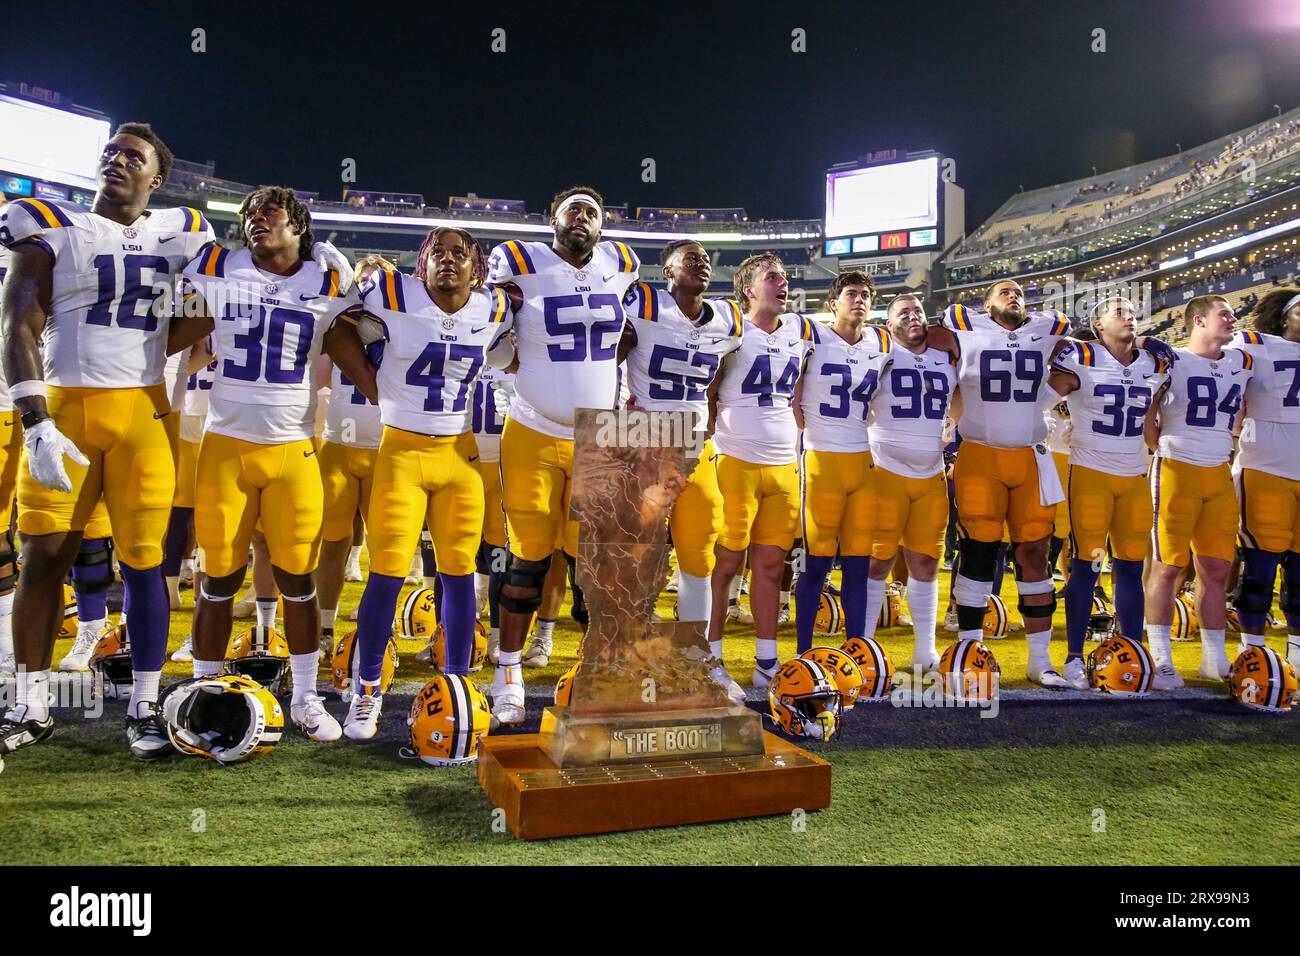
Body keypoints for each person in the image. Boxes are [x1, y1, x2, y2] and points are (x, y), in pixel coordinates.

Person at [0, 124, 215, 758]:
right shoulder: (49, 224)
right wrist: (35, 417)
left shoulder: (181, 233)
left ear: (157, 178)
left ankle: (145, 703)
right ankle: (31, 702)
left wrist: (144, 351)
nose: (117, 160)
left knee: (146, 565)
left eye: (134, 157)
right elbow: (18, 321)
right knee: (44, 559)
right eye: (112, 152)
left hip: (143, 411)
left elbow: (207, 312)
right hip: (64, 406)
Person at [170, 186, 373, 743]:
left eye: (270, 213)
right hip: (225, 446)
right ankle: (206, 688)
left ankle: (306, 695)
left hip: (293, 448)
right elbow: (172, 331)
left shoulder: (328, 280)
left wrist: (385, 395)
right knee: (217, 578)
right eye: (250, 214)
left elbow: (356, 342)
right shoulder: (218, 264)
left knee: (297, 579)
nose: (256, 221)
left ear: (299, 225)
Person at [344, 227, 512, 739]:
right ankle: (367, 691)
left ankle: (456, 691)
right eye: (436, 251)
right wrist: (373, 386)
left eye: (459, 253)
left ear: (476, 267)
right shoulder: (392, 292)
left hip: (460, 455)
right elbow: (337, 331)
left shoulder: (495, 309)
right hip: (401, 451)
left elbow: (516, 357)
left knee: (459, 575)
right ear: (421, 263)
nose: (447, 260)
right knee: (387, 573)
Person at [484, 186, 640, 726]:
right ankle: (508, 672)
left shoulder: (622, 261)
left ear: (604, 224)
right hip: (532, 428)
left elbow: (628, 336)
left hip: (598, 434)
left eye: (593, 211)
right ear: (552, 217)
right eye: (573, 208)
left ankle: (595, 669)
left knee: (593, 563)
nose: (582, 217)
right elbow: (490, 333)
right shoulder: (518, 259)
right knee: (526, 557)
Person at [618, 240, 741, 678]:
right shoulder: (642, 303)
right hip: (645, 443)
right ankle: (626, 657)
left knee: (698, 557)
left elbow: (716, 376)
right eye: (689, 258)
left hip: (695, 449)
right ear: (666, 271)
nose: (701, 263)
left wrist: (707, 422)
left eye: (706, 259)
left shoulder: (727, 318)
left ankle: (696, 656)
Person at [708, 253, 816, 696]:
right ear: (749, 289)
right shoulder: (731, 329)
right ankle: (710, 659)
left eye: (785, 277)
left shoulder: (800, 332)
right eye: (772, 277)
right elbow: (711, 392)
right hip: (735, 459)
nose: (783, 283)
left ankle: (766, 662)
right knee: (726, 563)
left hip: (783, 464)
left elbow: (798, 393)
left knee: (771, 566)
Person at [1048, 297, 1169, 689]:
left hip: (1134, 475)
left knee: (1131, 567)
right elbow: (1044, 394)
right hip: (1091, 475)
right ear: (1097, 325)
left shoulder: (1155, 361)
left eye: (1132, 311)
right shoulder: (1081, 356)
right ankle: (1073, 657)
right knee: (1087, 566)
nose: (1129, 316)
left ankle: (1133, 650)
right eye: (1118, 311)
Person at [1143, 295, 1254, 685]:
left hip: (1219, 470)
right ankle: (1160, 656)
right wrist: (1163, 450)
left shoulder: (1242, 362)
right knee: (1168, 565)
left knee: (1217, 567)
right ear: (1197, 321)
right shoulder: (1171, 360)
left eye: (1233, 313)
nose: (1232, 318)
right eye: (1223, 314)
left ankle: (1213, 657)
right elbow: (1149, 411)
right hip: (1177, 468)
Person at [791, 271, 891, 653]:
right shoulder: (811, 334)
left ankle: (857, 650)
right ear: (833, 303)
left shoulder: (881, 341)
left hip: (862, 460)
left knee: (857, 565)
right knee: (815, 563)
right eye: (851, 293)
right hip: (820, 459)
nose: (860, 299)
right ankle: (803, 651)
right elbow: (792, 386)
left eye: (866, 294)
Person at [860, 293, 956, 670]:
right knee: (875, 561)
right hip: (884, 468)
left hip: (931, 472)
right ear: (888, 324)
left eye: (918, 311)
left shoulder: (946, 358)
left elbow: (963, 390)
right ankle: (864, 645)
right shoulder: (877, 353)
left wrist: (955, 428)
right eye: (904, 312)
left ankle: (924, 649)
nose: (914, 316)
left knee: (926, 562)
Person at [1230, 287, 1300, 671]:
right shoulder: (1254, 343)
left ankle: (1297, 657)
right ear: (1282, 318)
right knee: (1259, 566)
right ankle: (1251, 653)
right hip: (1266, 464)